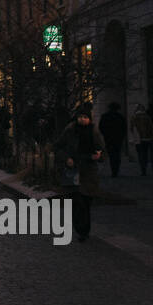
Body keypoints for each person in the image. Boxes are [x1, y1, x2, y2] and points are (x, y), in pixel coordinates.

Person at [54, 104, 103, 243]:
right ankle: (81, 230)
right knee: (77, 202)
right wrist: (67, 159)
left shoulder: (94, 131)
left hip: (89, 170)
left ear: (89, 119)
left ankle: (85, 230)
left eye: (85, 117)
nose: (82, 119)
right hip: (73, 169)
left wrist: (99, 155)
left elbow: (101, 148)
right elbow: (58, 146)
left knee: (86, 202)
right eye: (80, 117)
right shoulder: (70, 130)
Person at [98, 102, 126, 178]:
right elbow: (124, 128)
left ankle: (113, 170)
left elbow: (101, 127)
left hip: (108, 138)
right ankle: (116, 169)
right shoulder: (120, 117)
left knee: (111, 154)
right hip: (118, 138)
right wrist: (122, 136)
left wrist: (105, 134)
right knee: (117, 154)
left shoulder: (105, 116)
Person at [131, 104, 153, 176]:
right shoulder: (147, 117)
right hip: (147, 138)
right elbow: (151, 127)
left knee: (140, 154)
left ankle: (143, 169)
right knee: (145, 153)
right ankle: (146, 166)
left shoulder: (134, 117)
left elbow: (131, 128)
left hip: (138, 139)